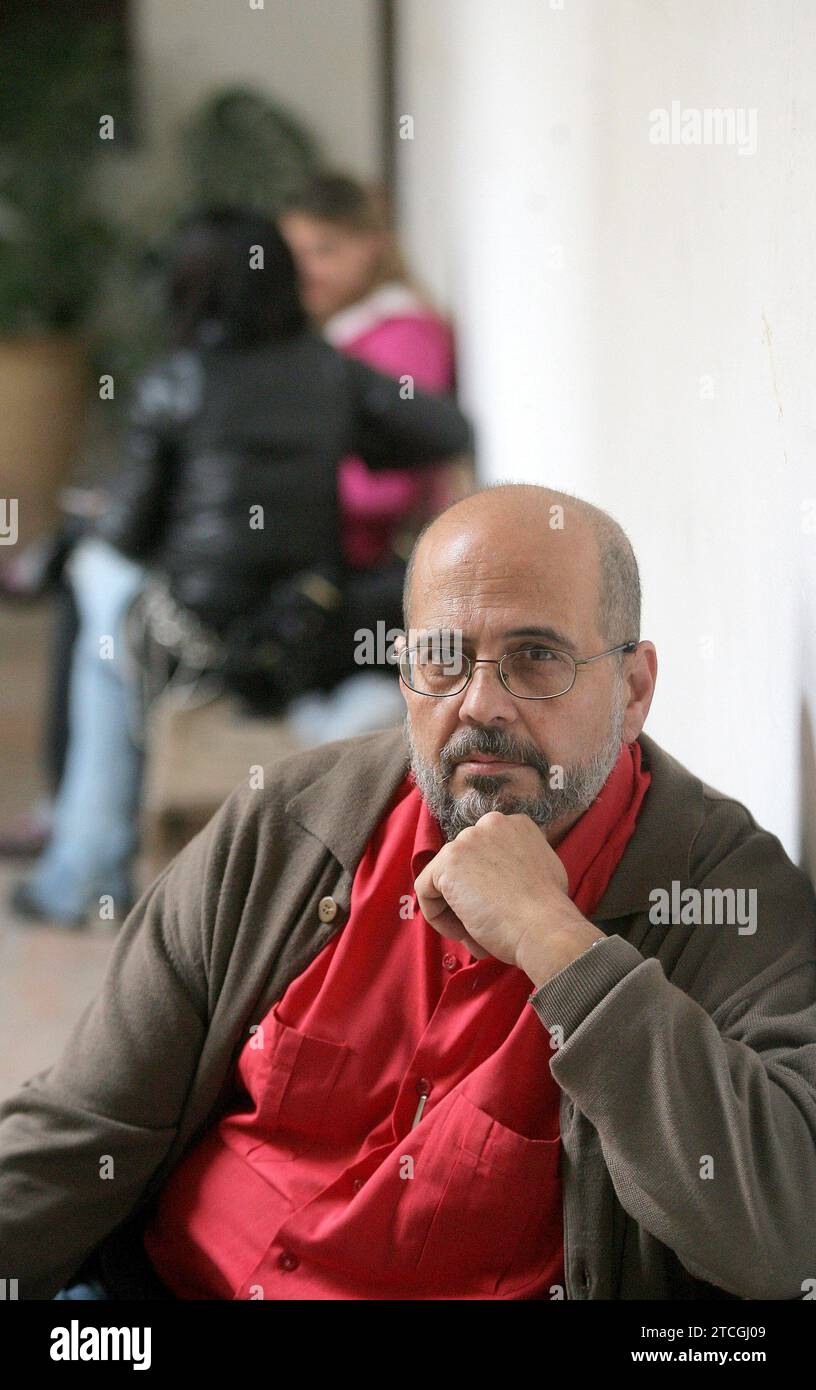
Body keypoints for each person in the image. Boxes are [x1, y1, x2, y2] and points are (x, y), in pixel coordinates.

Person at [2, 482, 814, 1301]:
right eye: (443, 658)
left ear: (634, 690)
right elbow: (84, 1130)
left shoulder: (720, 893)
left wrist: (556, 940)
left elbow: (782, 1236)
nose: (480, 704)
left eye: (536, 657)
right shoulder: (289, 823)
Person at [8, 206, 471, 927]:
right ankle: (80, 862)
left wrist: (92, 523)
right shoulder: (329, 373)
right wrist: (357, 443)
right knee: (98, 596)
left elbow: (130, 533)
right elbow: (447, 427)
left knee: (96, 582)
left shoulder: (176, 382)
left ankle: (82, 873)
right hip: (304, 633)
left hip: (193, 645)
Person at [280, 172, 468, 743]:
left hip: (367, 572)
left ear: (374, 243)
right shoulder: (339, 332)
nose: (308, 268)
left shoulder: (402, 333)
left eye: (326, 248)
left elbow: (388, 488)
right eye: (296, 253)